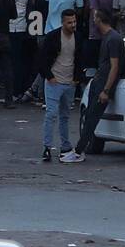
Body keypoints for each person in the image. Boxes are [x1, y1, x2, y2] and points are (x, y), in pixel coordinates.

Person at [61, 9, 121, 163]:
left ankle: (79, 151)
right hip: (99, 81)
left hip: (104, 84)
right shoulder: (107, 37)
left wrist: (106, 90)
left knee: (92, 118)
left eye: (95, 17)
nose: (93, 20)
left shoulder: (113, 39)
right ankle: (80, 149)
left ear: (100, 19)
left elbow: (115, 66)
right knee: (88, 117)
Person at [37, 9, 79, 162]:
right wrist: (49, 76)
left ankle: (65, 146)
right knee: (51, 114)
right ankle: (47, 147)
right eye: (69, 22)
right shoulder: (53, 37)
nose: (73, 25)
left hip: (69, 82)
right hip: (54, 80)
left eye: (74, 22)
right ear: (62, 22)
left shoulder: (78, 37)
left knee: (65, 115)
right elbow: (42, 58)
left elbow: (79, 58)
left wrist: (76, 79)